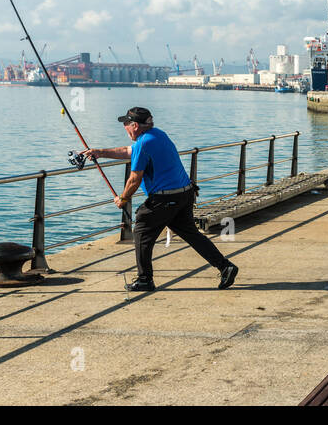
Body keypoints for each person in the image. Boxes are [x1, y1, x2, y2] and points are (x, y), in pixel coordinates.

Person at [83, 107, 238, 292]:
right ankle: (225, 266)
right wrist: (100, 152)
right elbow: (127, 151)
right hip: (184, 193)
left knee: (141, 229)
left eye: (126, 124)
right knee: (191, 234)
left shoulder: (144, 143)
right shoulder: (157, 135)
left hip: (166, 198)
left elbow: (134, 179)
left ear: (134, 125)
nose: (124, 128)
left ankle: (144, 279)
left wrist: (123, 199)